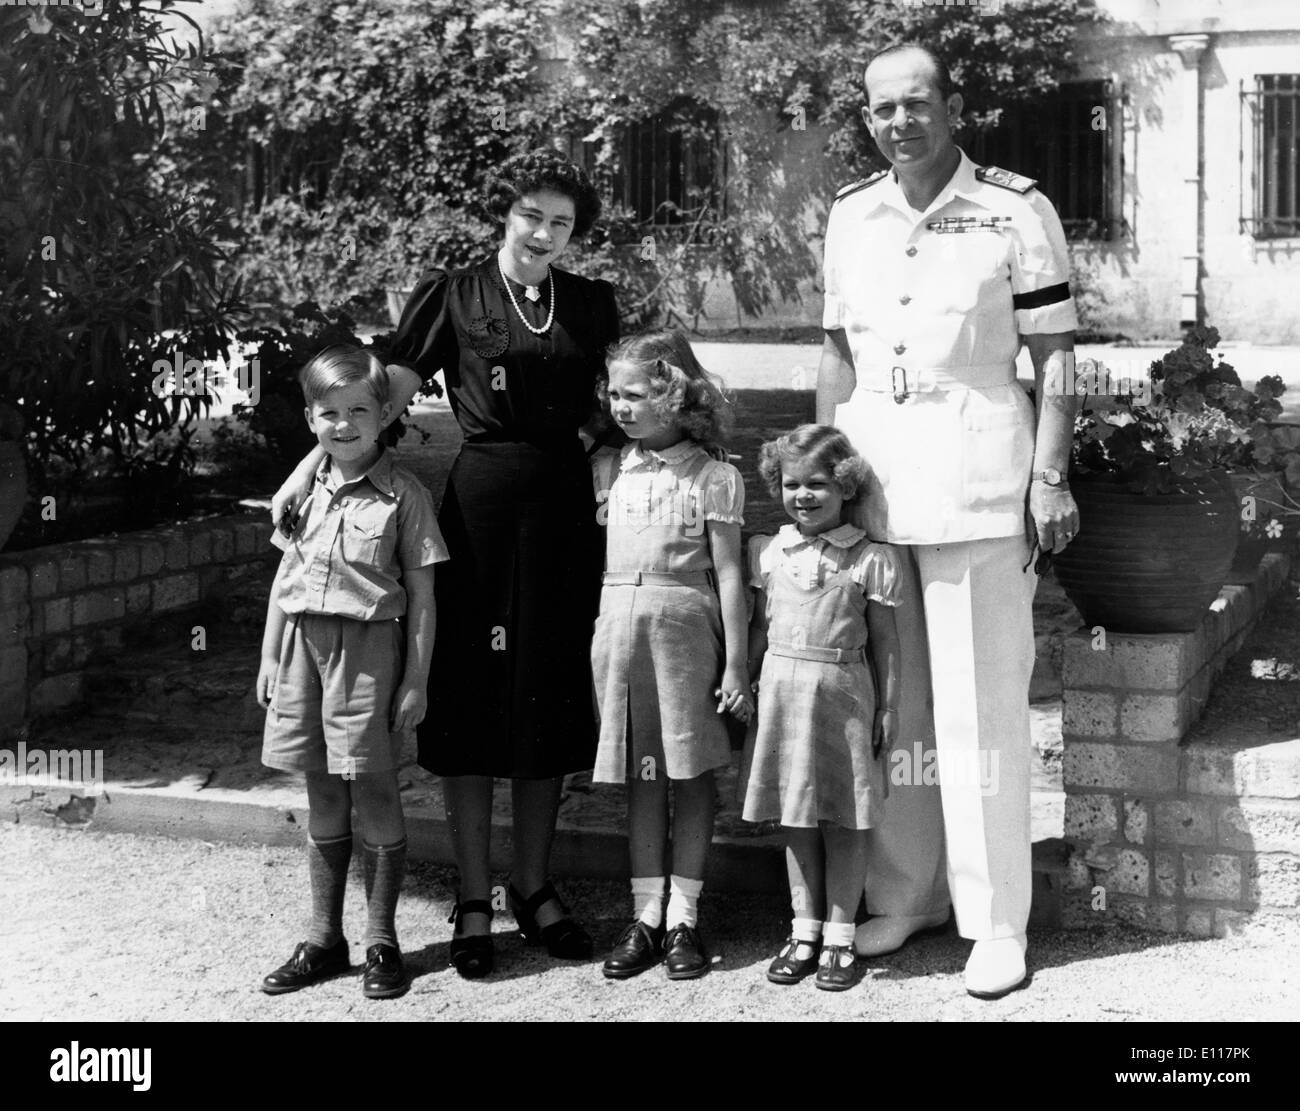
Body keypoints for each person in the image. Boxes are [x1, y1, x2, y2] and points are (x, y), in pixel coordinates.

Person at [270, 150, 618, 979]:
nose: (544, 234)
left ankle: (533, 886)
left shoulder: (590, 303)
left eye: (561, 223)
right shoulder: (455, 295)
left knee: (546, 692)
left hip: (564, 513)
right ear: (506, 212)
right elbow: (375, 398)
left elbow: (616, 405)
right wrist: (306, 466)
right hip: (482, 506)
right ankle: (471, 897)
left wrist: (606, 454)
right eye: (531, 215)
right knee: (471, 697)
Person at [816, 43, 1080, 998]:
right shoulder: (852, 213)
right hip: (878, 483)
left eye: (917, 102)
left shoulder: (1015, 209)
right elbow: (837, 356)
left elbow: (1056, 360)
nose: (901, 122)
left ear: (953, 105)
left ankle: (997, 919)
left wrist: (1049, 477)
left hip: (979, 479)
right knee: (899, 705)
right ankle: (909, 892)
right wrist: (820, 479)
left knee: (981, 711)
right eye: (882, 108)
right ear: (867, 118)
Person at [257, 345, 446, 1001]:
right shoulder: (301, 492)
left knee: (374, 789)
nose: (343, 425)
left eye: (359, 411)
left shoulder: (405, 495)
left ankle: (381, 939)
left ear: (384, 414)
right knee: (323, 791)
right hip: (302, 650)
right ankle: (322, 938)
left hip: (368, 654)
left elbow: (423, 596)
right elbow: (285, 579)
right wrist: (269, 656)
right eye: (329, 413)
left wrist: (416, 678)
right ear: (310, 418)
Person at [591, 330, 753, 981]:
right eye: (613, 393)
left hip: (685, 631)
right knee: (644, 772)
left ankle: (685, 915)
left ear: (674, 395)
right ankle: (646, 915)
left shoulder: (714, 477)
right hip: (619, 632)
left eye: (633, 394)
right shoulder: (611, 468)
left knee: (690, 773)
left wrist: (737, 663)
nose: (619, 405)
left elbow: (731, 573)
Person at [742, 425, 901, 991]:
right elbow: (759, 629)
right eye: (792, 485)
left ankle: (840, 935)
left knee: (843, 817)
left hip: (844, 698)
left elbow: (886, 643)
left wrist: (889, 707)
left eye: (817, 485)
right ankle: (803, 928)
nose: (803, 496)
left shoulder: (869, 558)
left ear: (845, 487)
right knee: (796, 815)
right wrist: (740, 677)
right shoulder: (770, 552)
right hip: (782, 697)